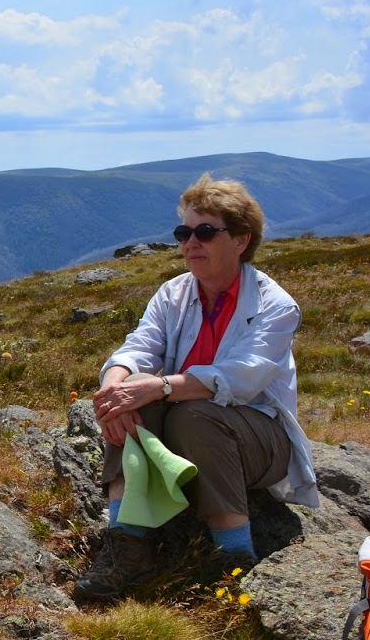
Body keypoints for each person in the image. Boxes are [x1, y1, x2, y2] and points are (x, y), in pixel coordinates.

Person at [73, 173, 318, 603]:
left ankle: (234, 555)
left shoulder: (275, 305)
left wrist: (159, 387)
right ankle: (127, 544)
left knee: (184, 406)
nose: (191, 243)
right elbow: (140, 346)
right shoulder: (174, 293)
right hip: (189, 432)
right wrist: (113, 391)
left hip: (260, 441)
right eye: (184, 232)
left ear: (242, 240)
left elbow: (242, 378)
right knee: (135, 393)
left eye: (205, 232)